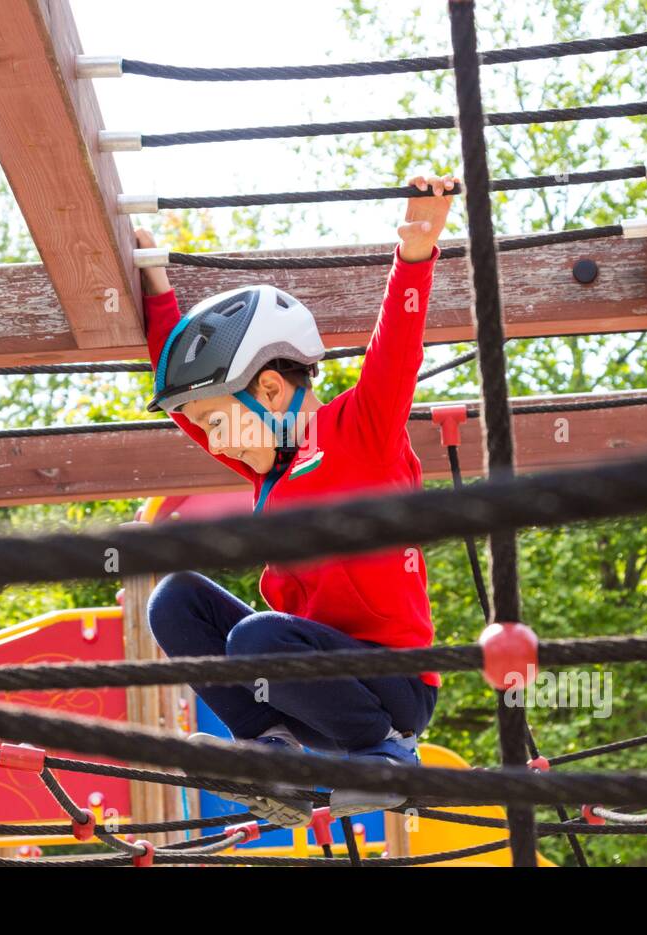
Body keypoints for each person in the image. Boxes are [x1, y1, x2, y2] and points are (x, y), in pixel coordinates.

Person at [137, 174, 456, 825]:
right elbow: (187, 414)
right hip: (304, 680)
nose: (212, 440)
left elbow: (396, 349)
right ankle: (270, 751)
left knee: (258, 637)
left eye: (223, 421)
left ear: (275, 392)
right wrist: (158, 293)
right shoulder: (268, 467)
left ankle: (388, 758)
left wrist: (417, 250)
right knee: (176, 599)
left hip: (393, 687)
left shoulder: (359, 431)